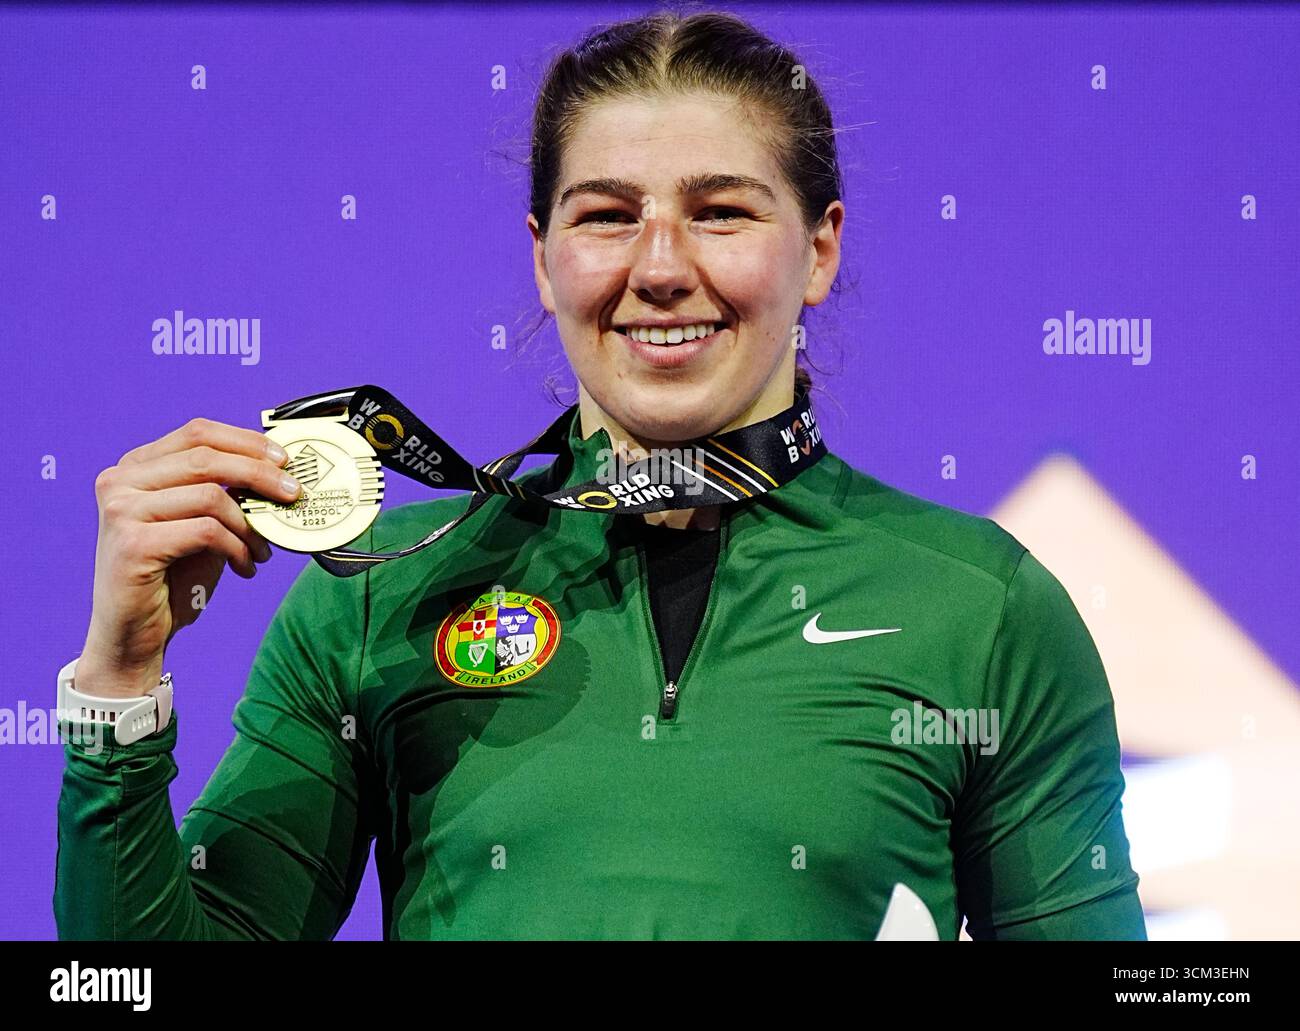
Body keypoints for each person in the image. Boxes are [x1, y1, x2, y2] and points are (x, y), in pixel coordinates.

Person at [54, 10, 1144, 941]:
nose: (660, 267)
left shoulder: (979, 605)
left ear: (818, 249)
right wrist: (118, 683)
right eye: (607, 215)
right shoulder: (375, 593)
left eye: (720, 210)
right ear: (543, 255)